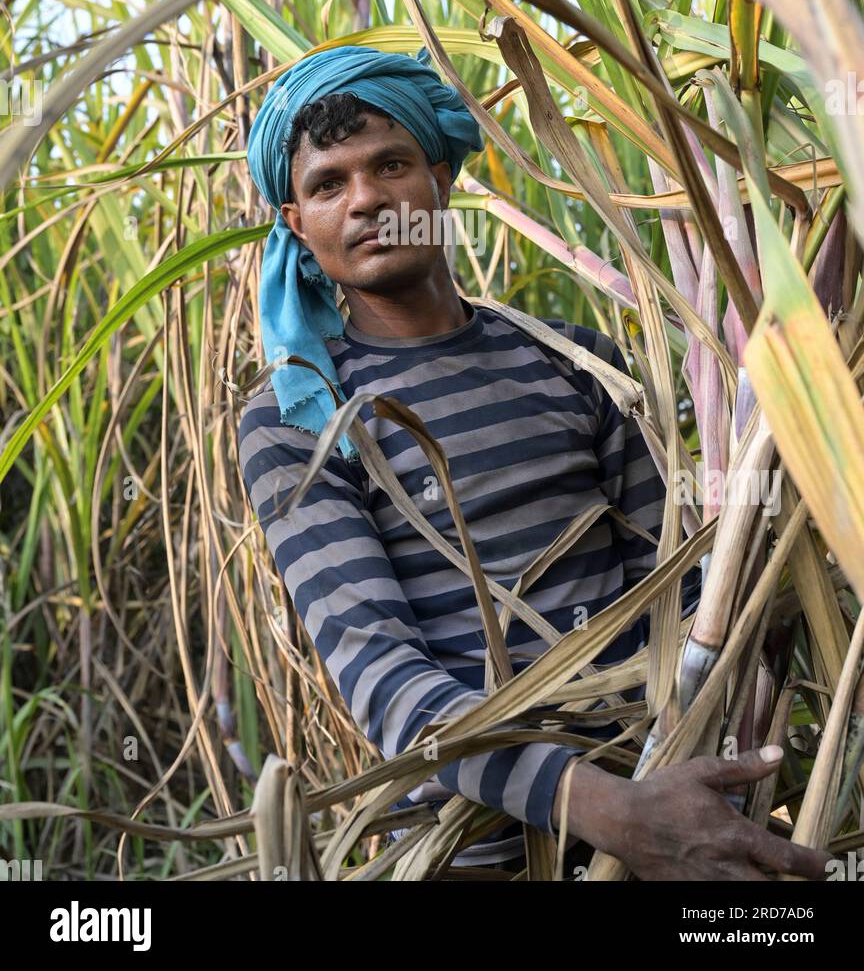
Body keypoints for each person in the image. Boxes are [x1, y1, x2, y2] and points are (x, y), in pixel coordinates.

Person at [236, 45, 829, 881]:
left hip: (674, 803)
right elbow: (381, 676)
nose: (366, 199)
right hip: (485, 849)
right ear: (297, 223)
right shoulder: (298, 415)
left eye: (392, 164)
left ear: (442, 176)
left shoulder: (575, 363)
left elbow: (676, 594)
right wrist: (613, 813)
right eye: (329, 184)